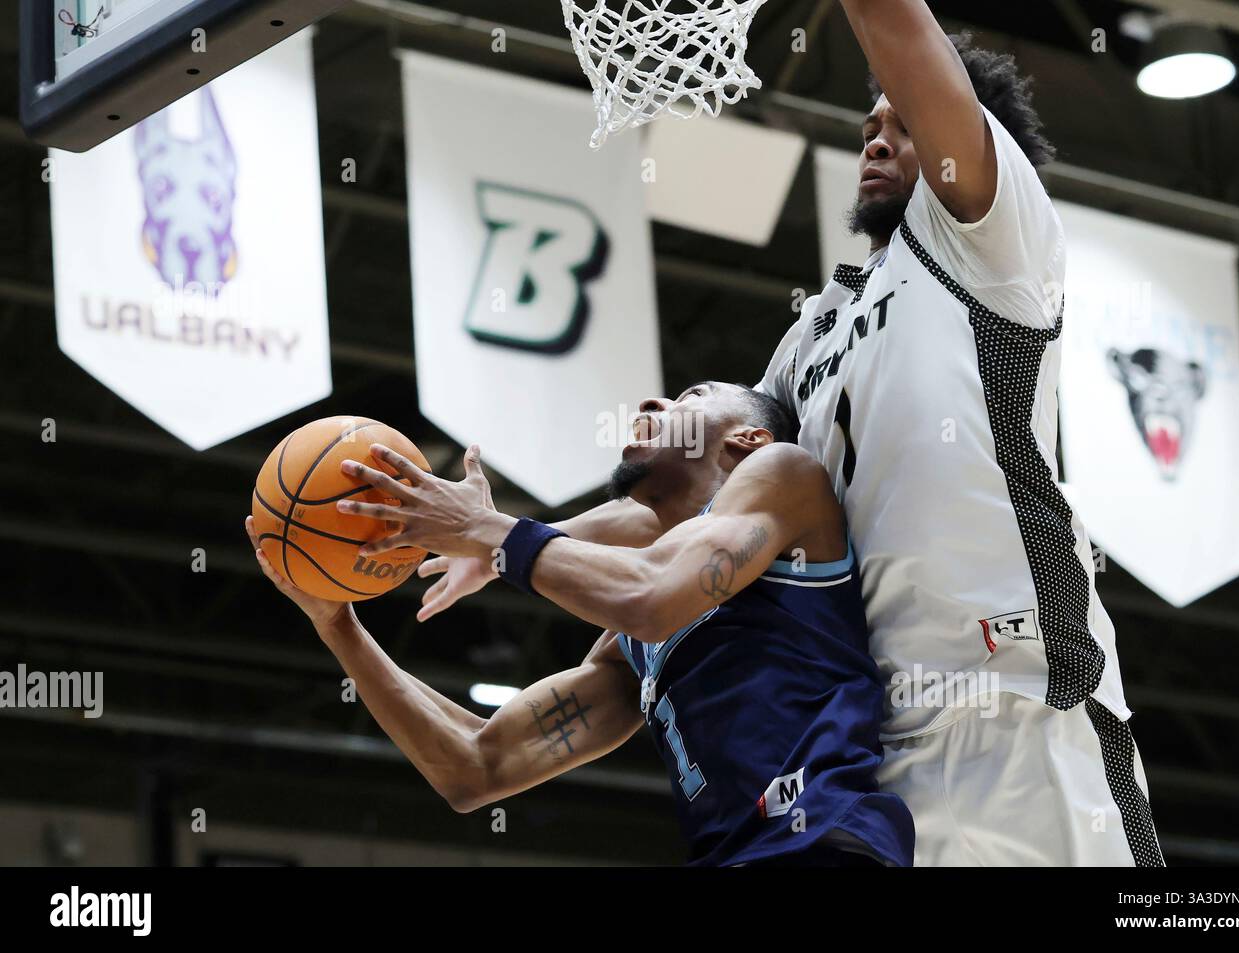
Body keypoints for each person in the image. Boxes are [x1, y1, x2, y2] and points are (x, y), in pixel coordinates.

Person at [391, 4, 1163, 867]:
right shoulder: (810, 337)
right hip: (893, 765)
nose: (876, 140)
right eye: (868, 126)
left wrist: (506, 542)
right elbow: (692, 503)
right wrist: (496, 543)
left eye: (903, 124)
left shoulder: (993, 243)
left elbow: (893, 24)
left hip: (1023, 709)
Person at [246, 382, 913, 867]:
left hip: (822, 842)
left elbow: (653, 592)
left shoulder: (782, 474)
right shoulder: (635, 649)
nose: (652, 404)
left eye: (691, 394)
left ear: (747, 439)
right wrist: (338, 625)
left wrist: (488, 532)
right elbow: (477, 768)